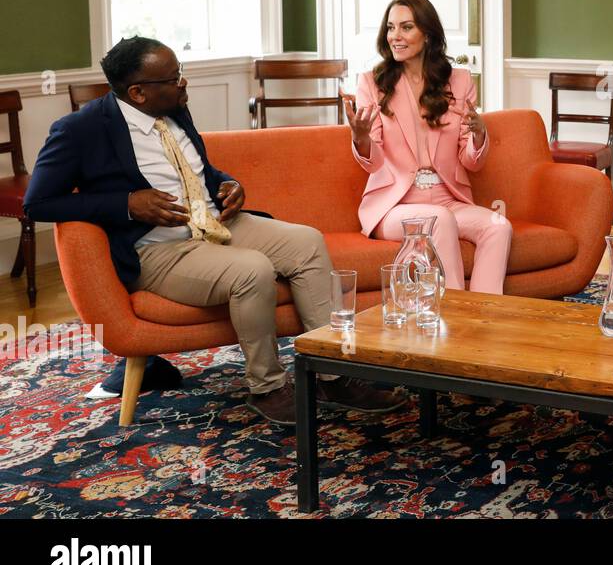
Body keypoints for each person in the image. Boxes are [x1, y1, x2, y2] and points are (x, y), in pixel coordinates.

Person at [23, 37, 403, 426]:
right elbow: (37, 203)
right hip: (159, 248)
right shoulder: (79, 130)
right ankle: (267, 387)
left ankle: (332, 375)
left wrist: (229, 183)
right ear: (137, 92)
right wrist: (127, 203)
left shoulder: (172, 108)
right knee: (251, 269)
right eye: (173, 78)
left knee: (306, 241)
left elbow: (199, 171)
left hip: (217, 223)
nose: (183, 84)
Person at [344, 0, 511, 294]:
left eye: (406, 27)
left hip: (448, 199)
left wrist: (478, 135)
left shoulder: (458, 82)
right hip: (394, 206)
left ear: (428, 34)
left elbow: (471, 161)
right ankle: (456, 317)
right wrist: (361, 137)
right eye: (391, 28)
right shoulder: (372, 82)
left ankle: (487, 316)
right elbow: (376, 162)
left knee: (498, 226)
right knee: (440, 220)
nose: (396, 36)